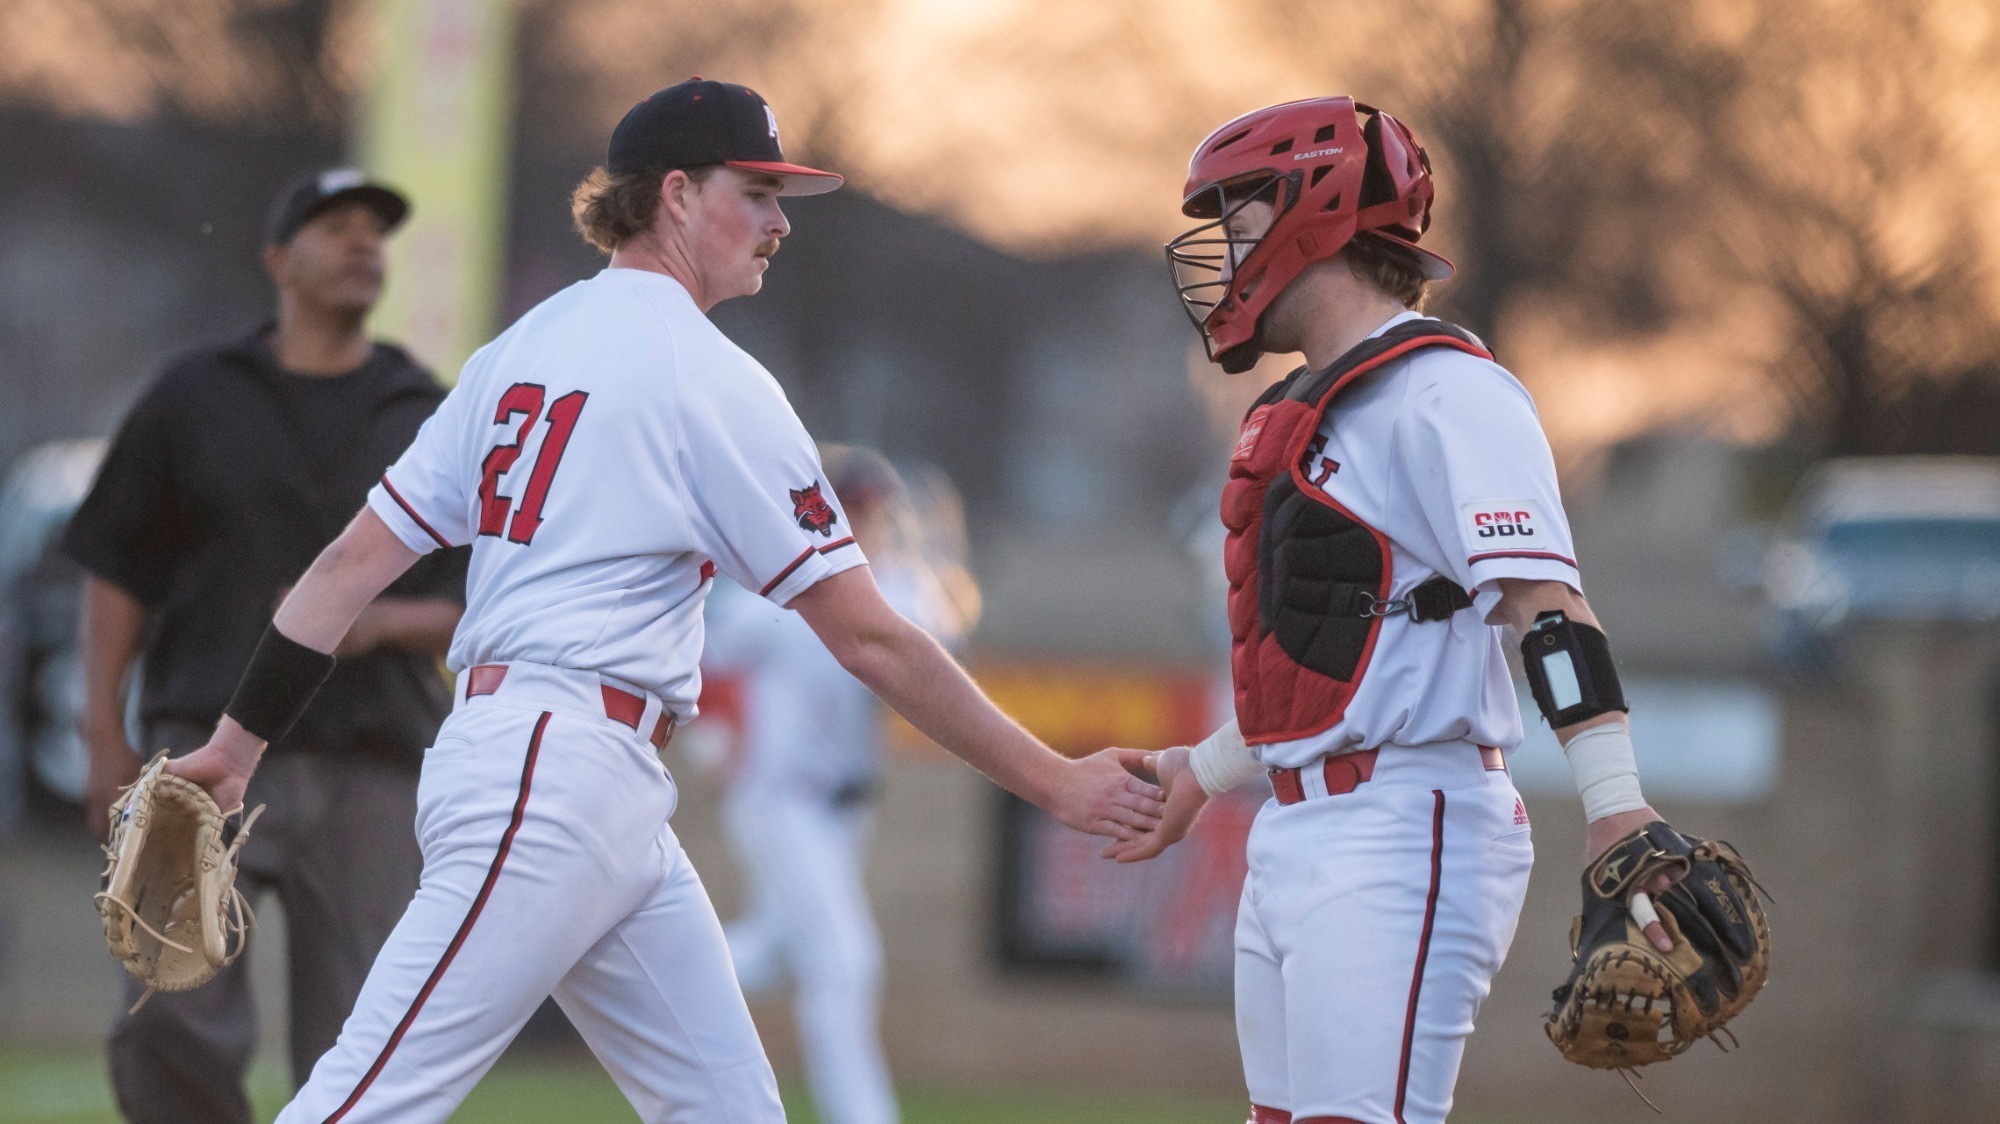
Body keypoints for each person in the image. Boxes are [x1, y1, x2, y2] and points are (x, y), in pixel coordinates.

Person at [163, 78, 1163, 1123]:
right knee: (366, 1097)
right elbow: (870, 637)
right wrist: (1053, 780)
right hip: (552, 773)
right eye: (758, 190)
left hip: (581, 776)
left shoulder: (516, 351)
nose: (779, 222)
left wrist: (238, 745)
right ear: (676, 194)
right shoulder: (708, 379)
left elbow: (343, 567)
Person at [1110, 97, 1681, 1124]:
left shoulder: (1447, 391)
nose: (1224, 253)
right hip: (1295, 825)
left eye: (1240, 220)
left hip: (1403, 822)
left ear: (1310, 215)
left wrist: (1613, 801)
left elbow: (1546, 611)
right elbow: (1330, 670)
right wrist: (1197, 774)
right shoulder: (1313, 405)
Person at [62, 169, 467, 1124]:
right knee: (165, 1010)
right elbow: (115, 571)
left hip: (375, 763)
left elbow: (486, 595)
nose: (364, 242)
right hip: (198, 748)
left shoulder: (428, 409)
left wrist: (376, 624)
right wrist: (101, 739)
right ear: (279, 260)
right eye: (335, 227)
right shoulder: (193, 397)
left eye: (376, 229)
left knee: (372, 1039)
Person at [704, 446, 967, 1124]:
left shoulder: (897, 588)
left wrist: (942, 554)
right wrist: (715, 733)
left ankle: (632, 974)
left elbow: (948, 630)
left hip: (845, 812)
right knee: (845, 963)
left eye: (873, 510)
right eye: (852, 508)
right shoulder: (783, 588)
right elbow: (702, 646)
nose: (865, 521)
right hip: (781, 803)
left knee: (770, 951)